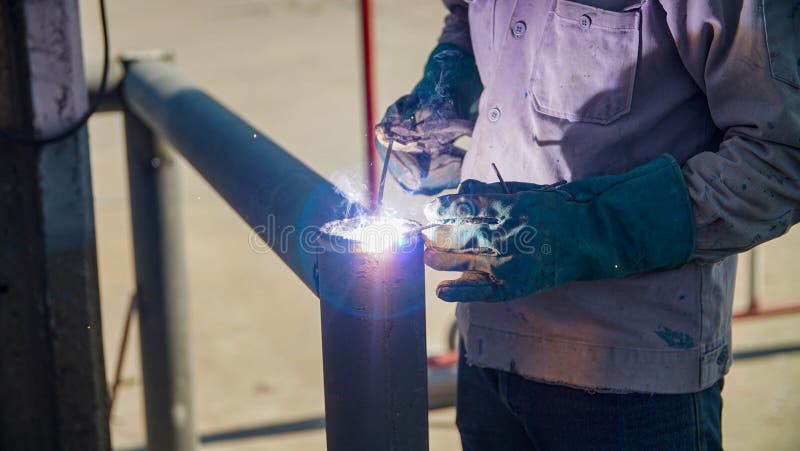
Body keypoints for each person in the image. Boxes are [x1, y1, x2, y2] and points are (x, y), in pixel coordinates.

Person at [375, 1, 800, 450]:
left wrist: (578, 229)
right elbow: (468, 15)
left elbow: (781, 158)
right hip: (486, 346)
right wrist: (450, 79)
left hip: (630, 378)